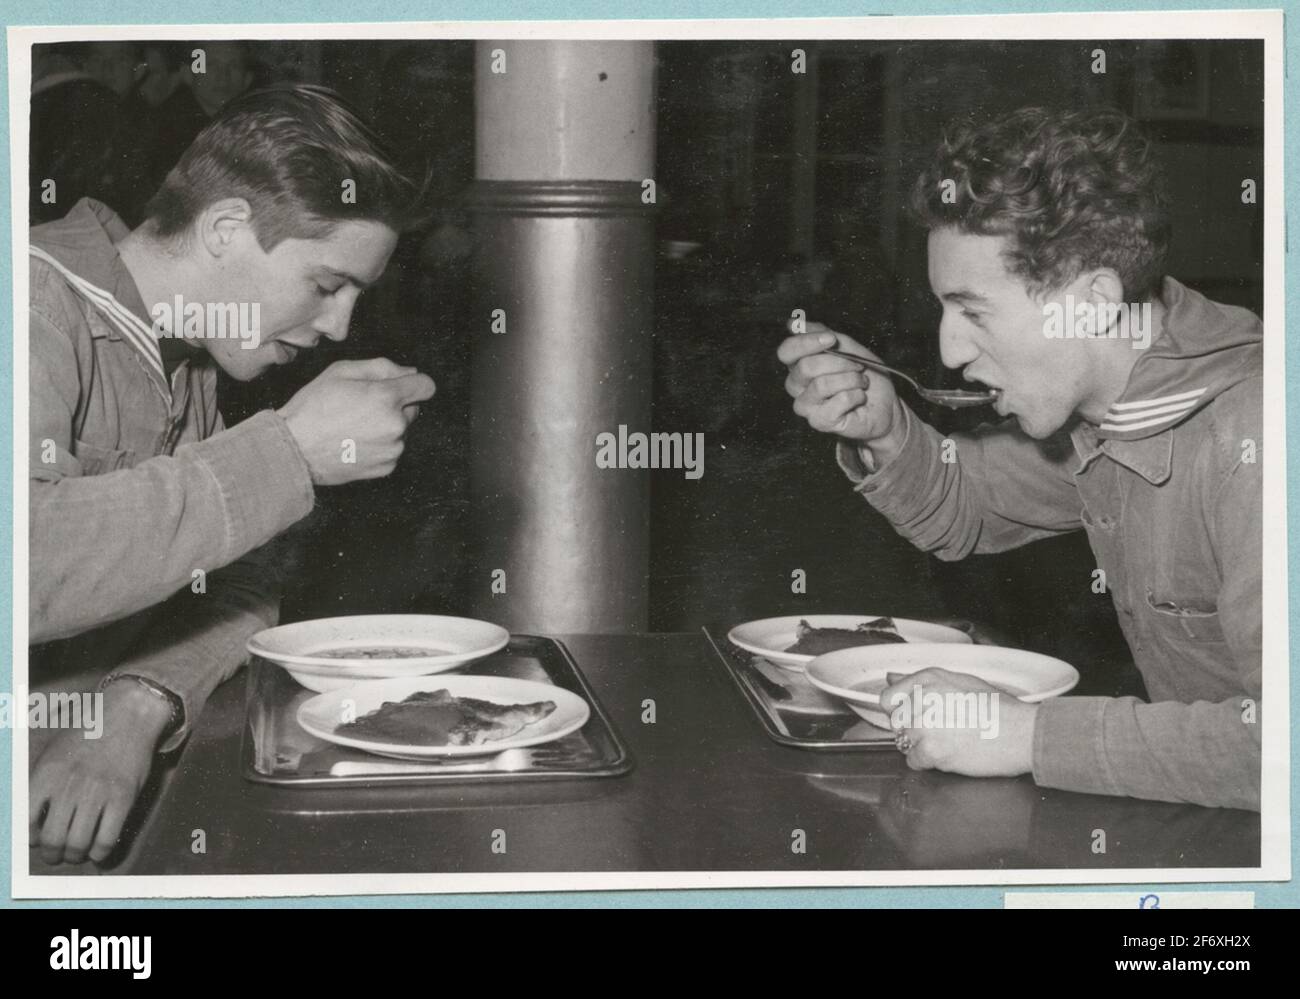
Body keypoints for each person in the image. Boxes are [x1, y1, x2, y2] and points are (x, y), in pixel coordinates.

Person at [779, 106, 1261, 811]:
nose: (950, 351)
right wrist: (884, 427)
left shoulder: (1258, 433)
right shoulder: (1115, 410)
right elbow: (966, 508)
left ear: (1093, 301)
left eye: (973, 311)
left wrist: (1023, 734)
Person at [28, 83, 436, 864]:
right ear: (224, 229)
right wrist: (286, 451)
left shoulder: (188, 368)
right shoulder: (34, 304)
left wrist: (135, 706)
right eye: (325, 285)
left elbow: (245, 575)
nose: (338, 327)